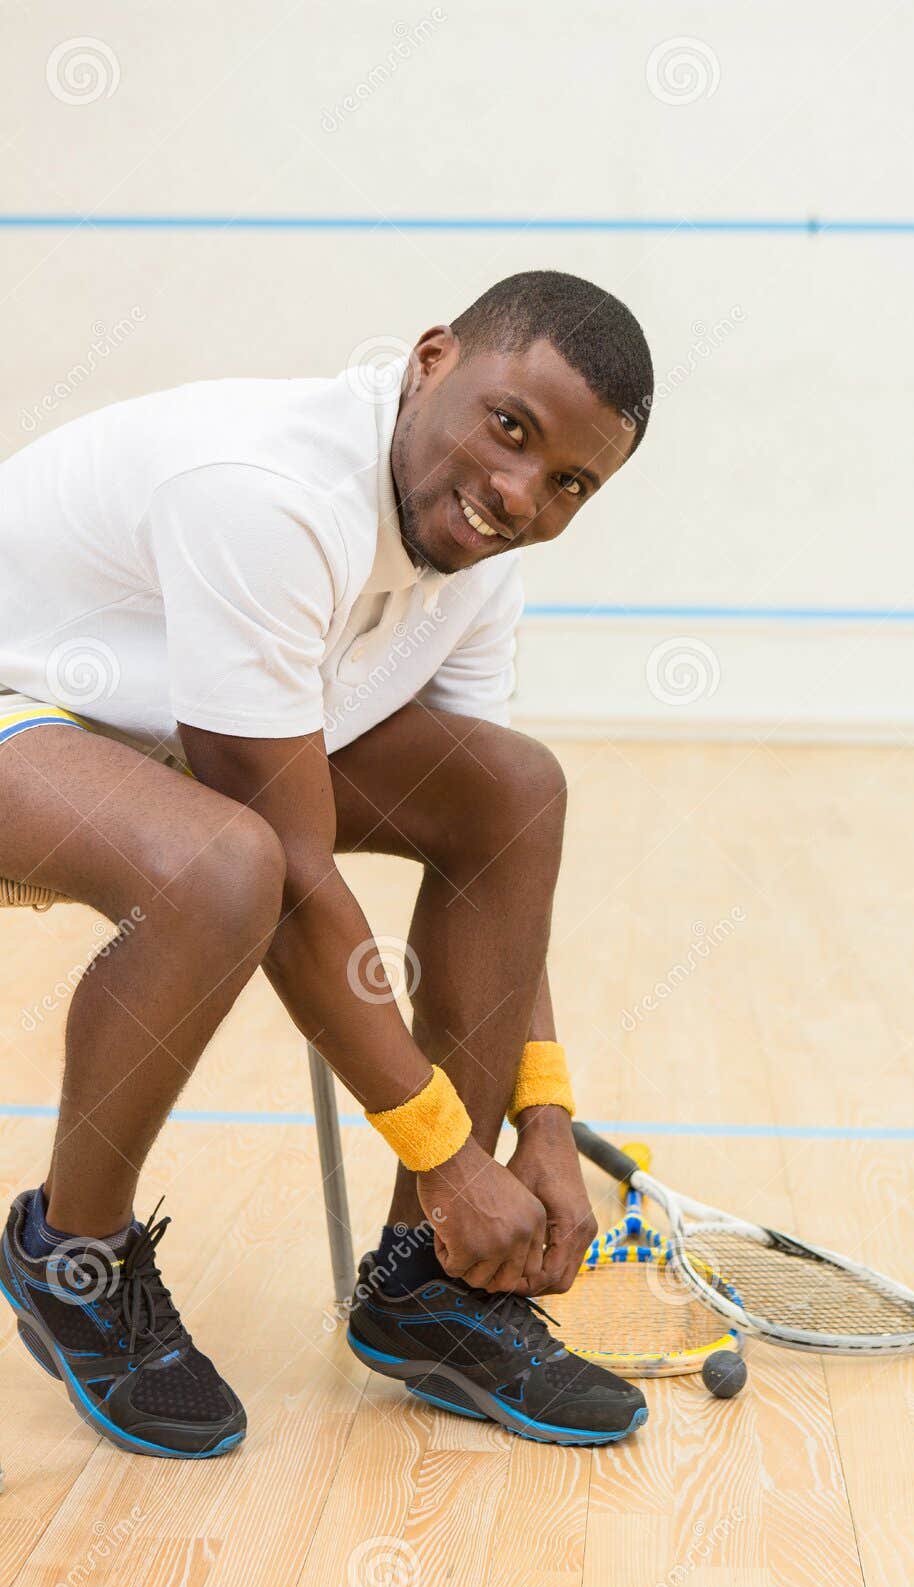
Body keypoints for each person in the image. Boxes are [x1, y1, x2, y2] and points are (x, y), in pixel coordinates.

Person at [0, 270, 654, 1456]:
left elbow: (495, 847)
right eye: (510, 428)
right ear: (430, 359)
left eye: (569, 483)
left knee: (513, 787)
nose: (518, 494)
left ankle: (427, 1289)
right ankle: (72, 1255)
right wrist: (454, 1156)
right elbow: (294, 877)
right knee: (224, 866)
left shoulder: (477, 554)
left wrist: (541, 1117)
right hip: (24, 693)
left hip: (162, 732)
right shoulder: (270, 494)